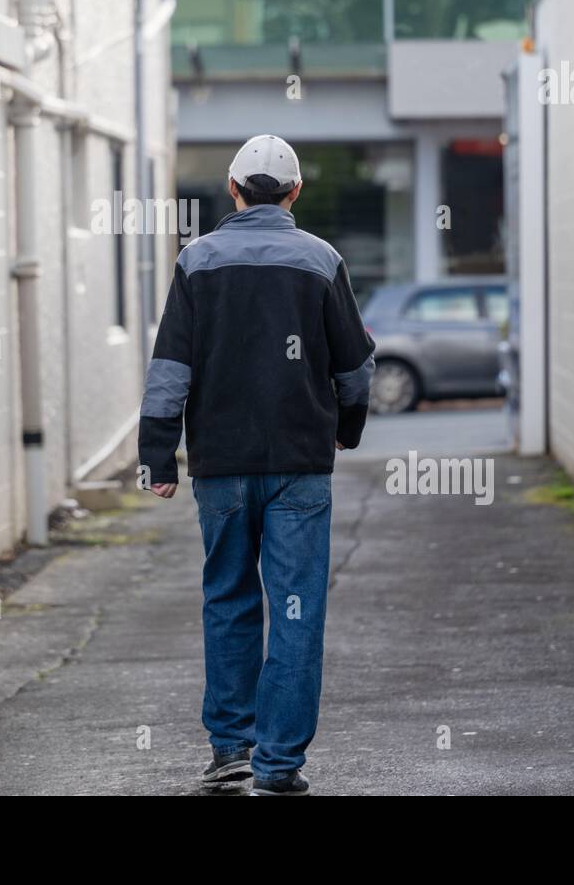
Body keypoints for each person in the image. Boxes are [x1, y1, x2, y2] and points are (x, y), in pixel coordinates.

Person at [138, 134, 376, 796]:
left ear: (234, 189)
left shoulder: (197, 261)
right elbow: (356, 369)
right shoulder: (322, 261)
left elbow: (168, 372)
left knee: (229, 600)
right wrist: (346, 430)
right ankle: (279, 765)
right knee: (297, 609)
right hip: (301, 465)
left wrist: (158, 454)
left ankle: (229, 753)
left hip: (221, 469)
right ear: (294, 193)